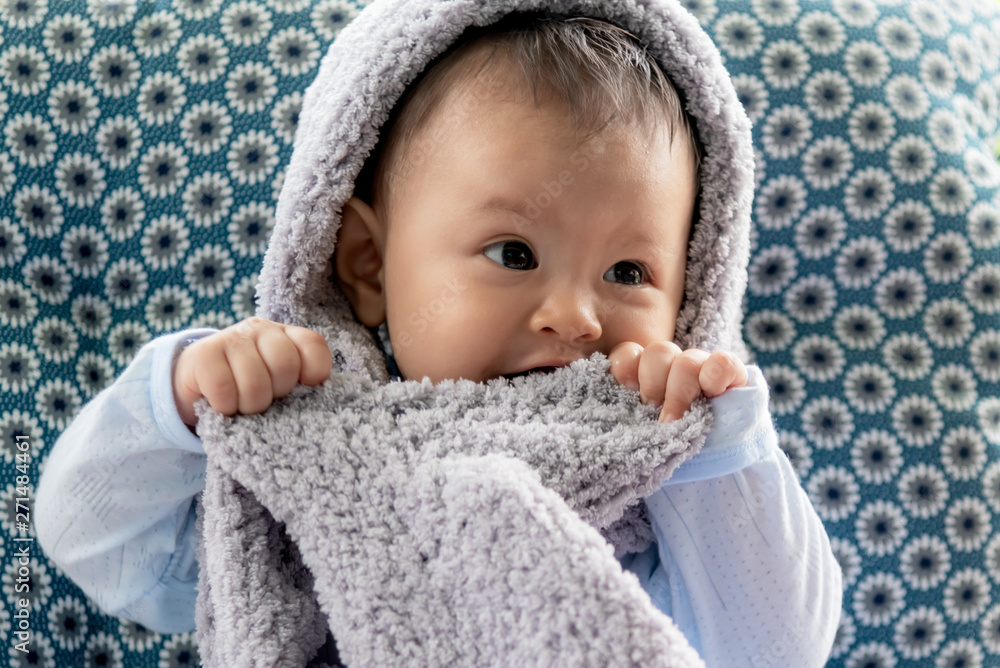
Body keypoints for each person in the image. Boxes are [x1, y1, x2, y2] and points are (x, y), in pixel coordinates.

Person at [37, 9, 841, 666]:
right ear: (369, 265)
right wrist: (180, 399)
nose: (578, 318)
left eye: (629, 271)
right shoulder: (308, 452)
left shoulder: (654, 493)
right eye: (514, 254)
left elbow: (777, 651)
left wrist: (715, 448)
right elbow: (92, 545)